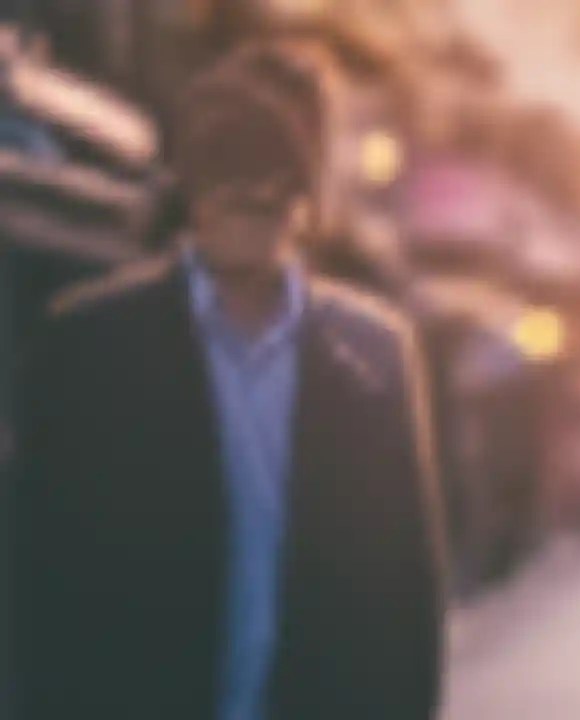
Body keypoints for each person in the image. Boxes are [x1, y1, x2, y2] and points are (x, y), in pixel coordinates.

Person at [14, 43, 448, 720]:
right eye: (226, 170)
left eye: (272, 174)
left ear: (304, 196)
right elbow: (37, 583)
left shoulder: (373, 356)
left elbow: (407, 608)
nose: (248, 198)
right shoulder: (91, 343)